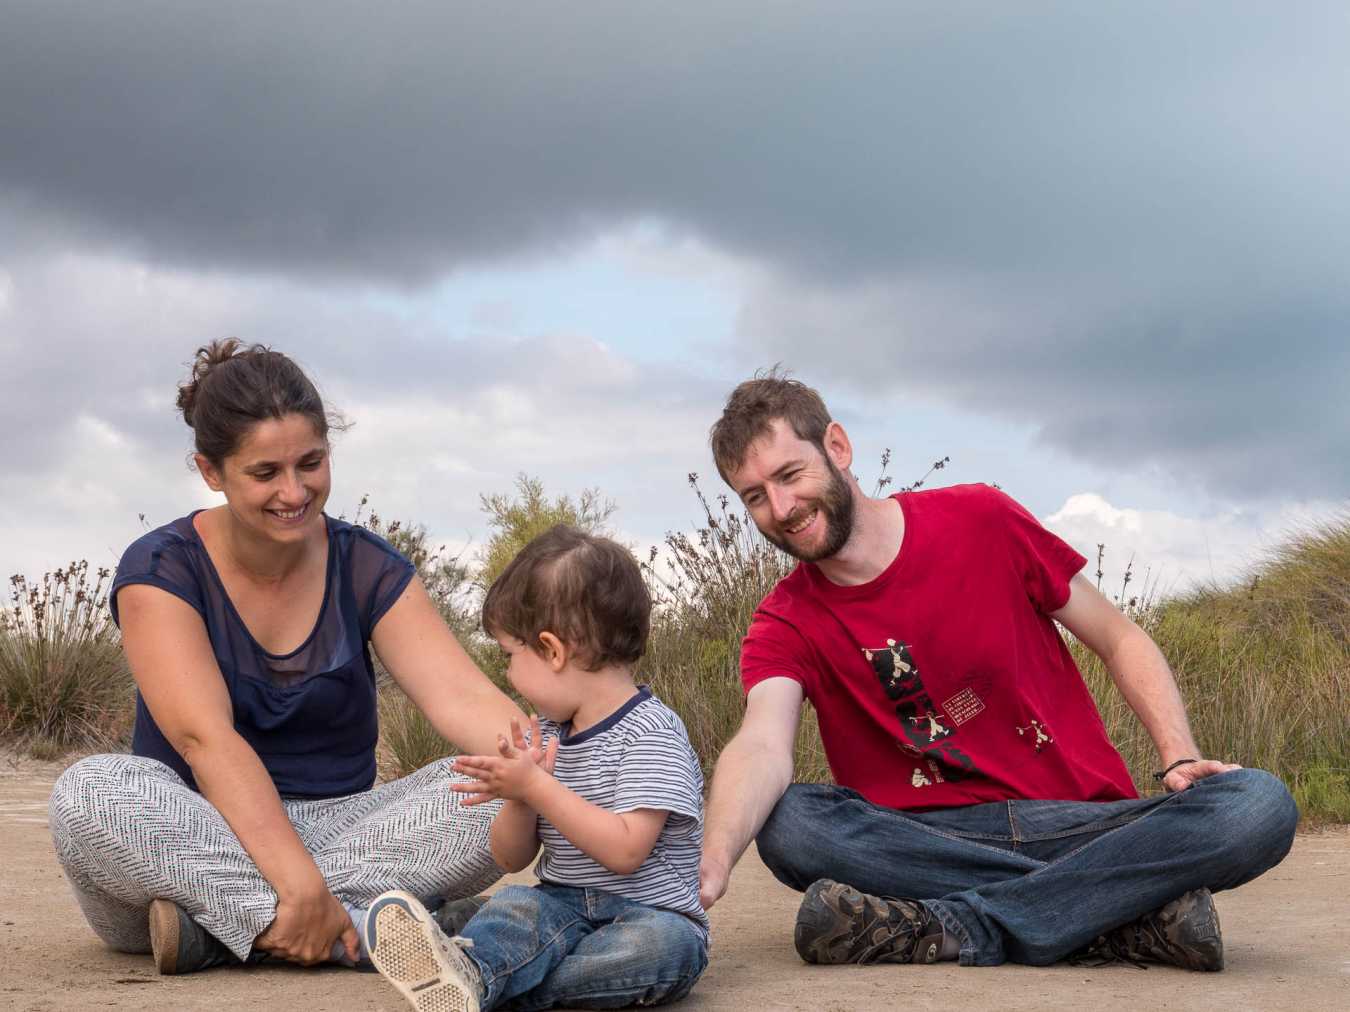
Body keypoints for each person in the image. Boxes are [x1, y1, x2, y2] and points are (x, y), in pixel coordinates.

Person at [697, 372, 1299, 970]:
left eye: (788, 475)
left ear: (837, 447)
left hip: (1082, 822)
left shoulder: (982, 518)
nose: (780, 508)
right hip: (928, 839)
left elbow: (1118, 637)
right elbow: (762, 742)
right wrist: (717, 857)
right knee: (791, 825)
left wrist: (1177, 754)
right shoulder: (785, 621)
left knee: (1255, 804)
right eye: (753, 496)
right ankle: (1113, 916)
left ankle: (956, 925)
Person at [48, 339, 525, 975]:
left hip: (342, 834)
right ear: (211, 472)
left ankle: (225, 934)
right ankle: (357, 926)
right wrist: (297, 885)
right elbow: (204, 740)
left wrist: (557, 769)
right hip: (188, 843)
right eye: (265, 473)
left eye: (311, 463)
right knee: (92, 792)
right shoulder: (160, 570)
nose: (295, 492)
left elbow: (463, 699)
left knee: (501, 786)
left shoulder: (366, 566)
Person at [364, 525, 708, 1011]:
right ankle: (481, 972)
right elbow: (510, 859)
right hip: (560, 904)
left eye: (510, 655)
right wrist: (520, 799)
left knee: (660, 949)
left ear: (552, 650)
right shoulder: (546, 735)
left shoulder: (650, 733)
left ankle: (481, 978)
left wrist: (539, 788)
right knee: (517, 907)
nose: (507, 674)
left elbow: (627, 850)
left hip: (648, 914)